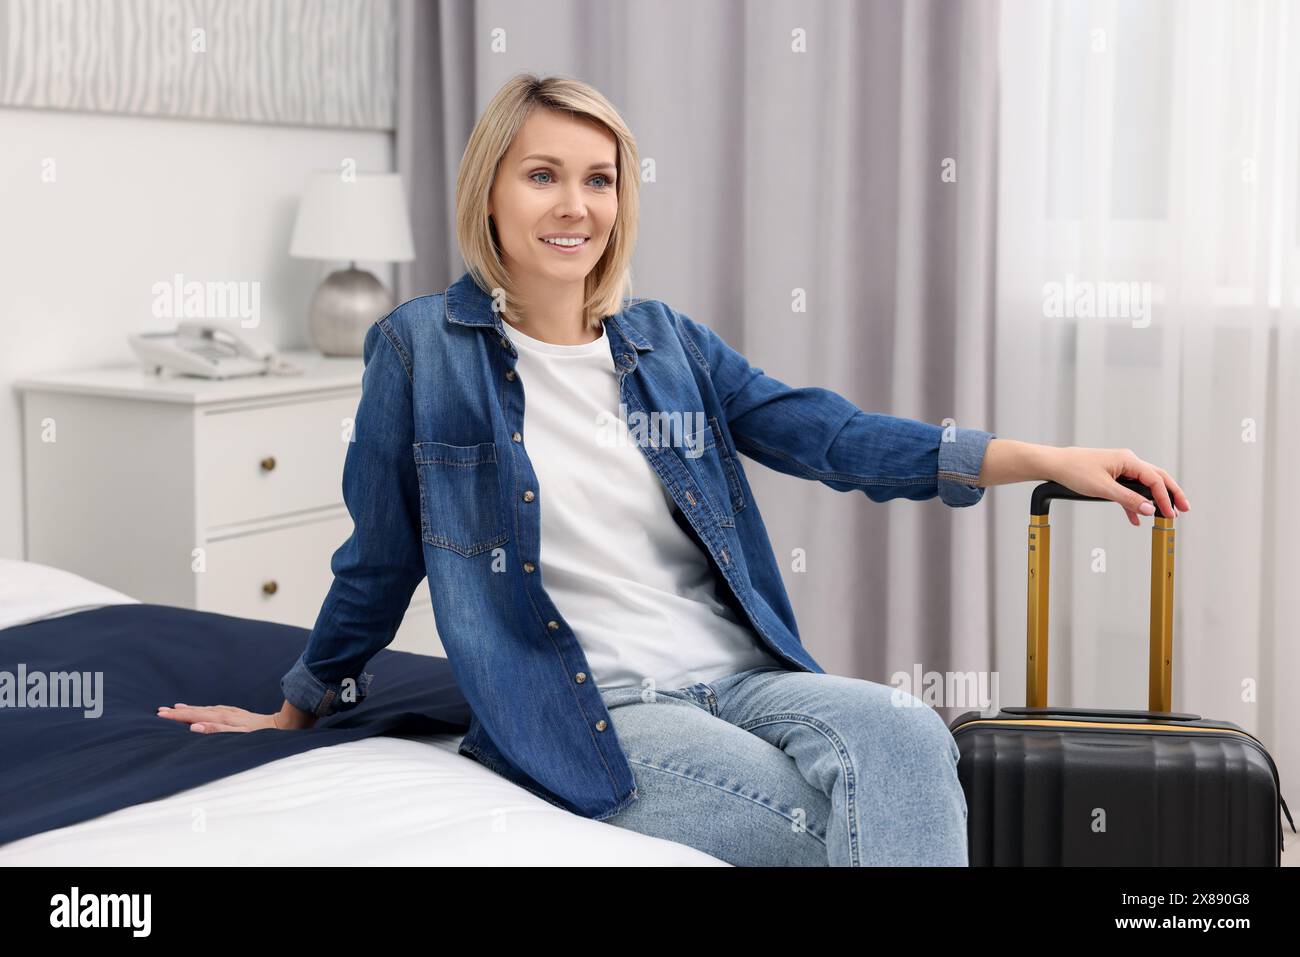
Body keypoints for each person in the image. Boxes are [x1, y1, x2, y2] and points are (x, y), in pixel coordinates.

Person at [157, 73, 1190, 866]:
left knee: (907, 735)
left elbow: (828, 435)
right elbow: (379, 555)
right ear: (492, 189)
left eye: (598, 179)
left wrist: (1039, 457)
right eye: (543, 174)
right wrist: (302, 699)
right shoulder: (419, 350)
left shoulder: (666, 345)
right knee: (814, 826)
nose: (575, 206)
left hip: (740, 677)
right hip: (595, 703)